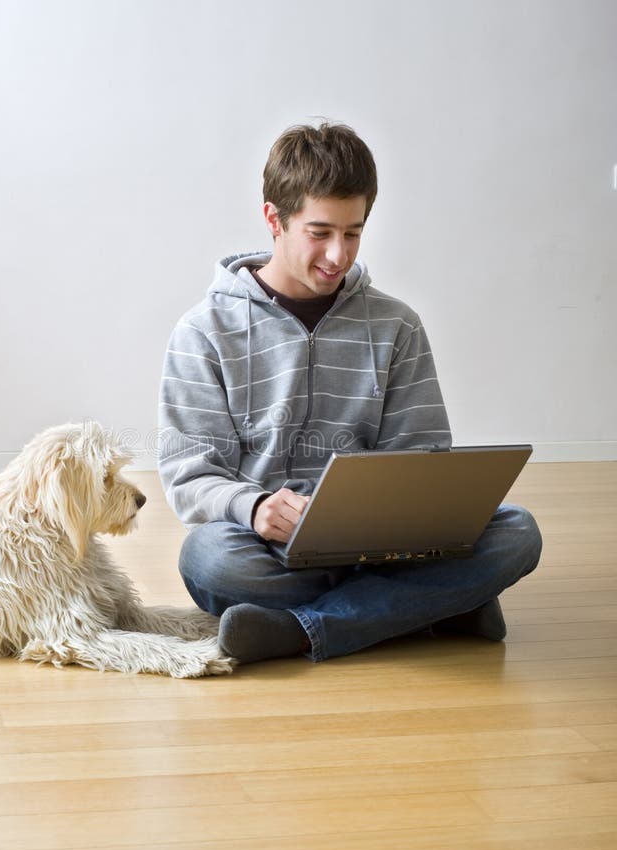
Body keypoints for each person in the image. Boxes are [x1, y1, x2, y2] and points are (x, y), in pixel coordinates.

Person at [157, 122, 542, 664]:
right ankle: (436, 605)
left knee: (518, 532)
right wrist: (255, 505)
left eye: (353, 232)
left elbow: (424, 453)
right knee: (208, 560)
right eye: (319, 232)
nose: (338, 255)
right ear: (275, 218)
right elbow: (190, 474)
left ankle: (301, 630)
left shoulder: (396, 325)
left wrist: (405, 519)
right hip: (270, 549)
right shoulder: (204, 332)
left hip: (387, 550)